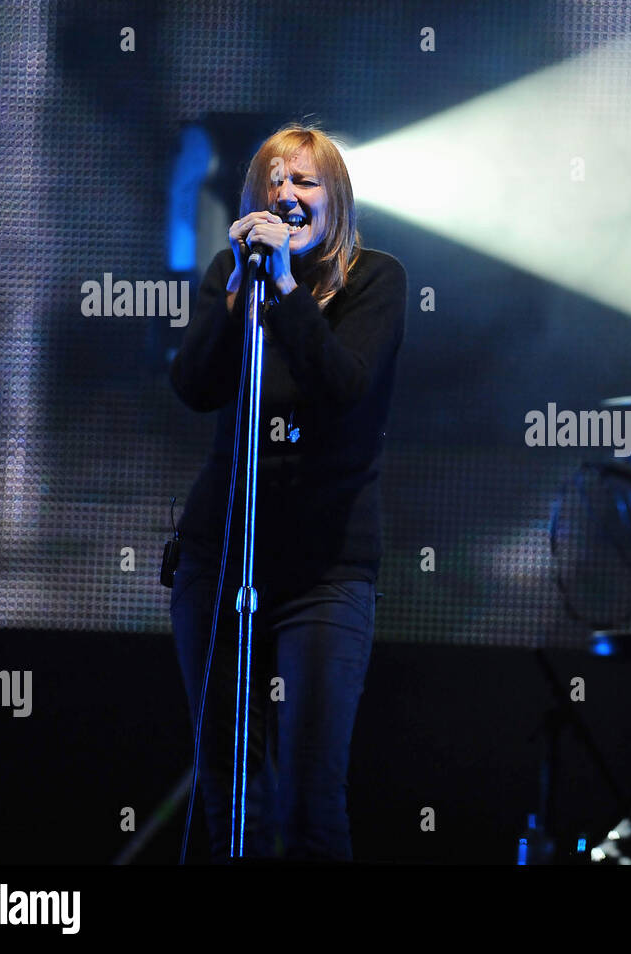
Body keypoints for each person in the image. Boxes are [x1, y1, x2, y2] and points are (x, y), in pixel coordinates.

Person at [168, 123, 406, 861]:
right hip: (223, 556)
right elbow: (194, 387)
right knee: (229, 792)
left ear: (334, 200)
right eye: (273, 182)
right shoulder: (231, 277)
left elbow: (344, 387)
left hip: (324, 573)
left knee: (307, 799)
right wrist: (241, 292)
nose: (286, 194)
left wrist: (286, 291)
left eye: (304, 182)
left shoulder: (376, 281)